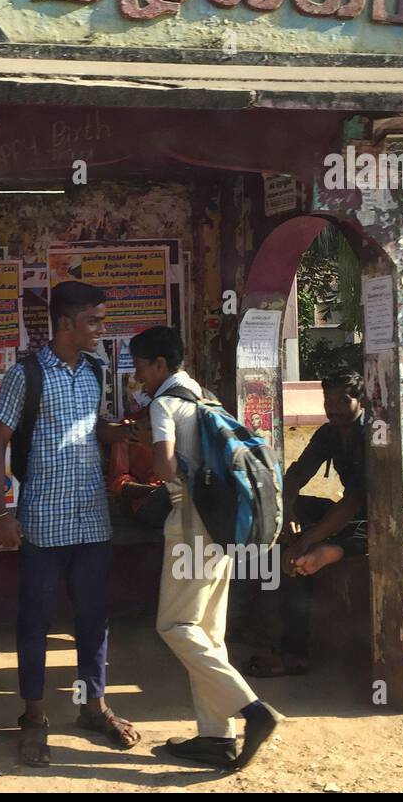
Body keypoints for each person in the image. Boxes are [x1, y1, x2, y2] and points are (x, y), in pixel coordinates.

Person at [0, 281, 142, 767]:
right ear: (67, 324)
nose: (101, 330)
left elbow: (89, 427)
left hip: (92, 520)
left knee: (94, 619)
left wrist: (122, 430)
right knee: (33, 621)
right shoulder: (25, 375)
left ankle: (93, 706)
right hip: (42, 522)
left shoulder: (96, 370)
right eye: (94, 321)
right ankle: (33, 717)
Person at [130, 325, 281, 770]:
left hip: (191, 523)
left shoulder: (164, 403)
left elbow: (164, 468)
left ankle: (252, 710)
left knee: (174, 625)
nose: (138, 377)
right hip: (221, 525)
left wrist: (147, 441)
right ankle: (216, 736)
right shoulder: (203, 395)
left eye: (141, 366)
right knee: (208, 633)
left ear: (160, 364)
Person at [245, 370, 369, 678]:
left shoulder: (371, 434)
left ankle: (332, 550)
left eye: (344, 400)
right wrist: (288, 514)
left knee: (308, 548)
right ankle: (286, 645)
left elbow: (355, 500)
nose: (334, 407)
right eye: (328, 399)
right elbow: (295, 476)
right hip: (344, 515)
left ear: (361, 400)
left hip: (373, 520)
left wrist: (308, 538)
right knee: (283, 524)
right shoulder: (328, 434)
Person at [106, 396, 171, 531]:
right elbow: (118, 481)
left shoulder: (180, 425)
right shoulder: (130, 428)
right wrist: (152, 491)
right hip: (147, 502)